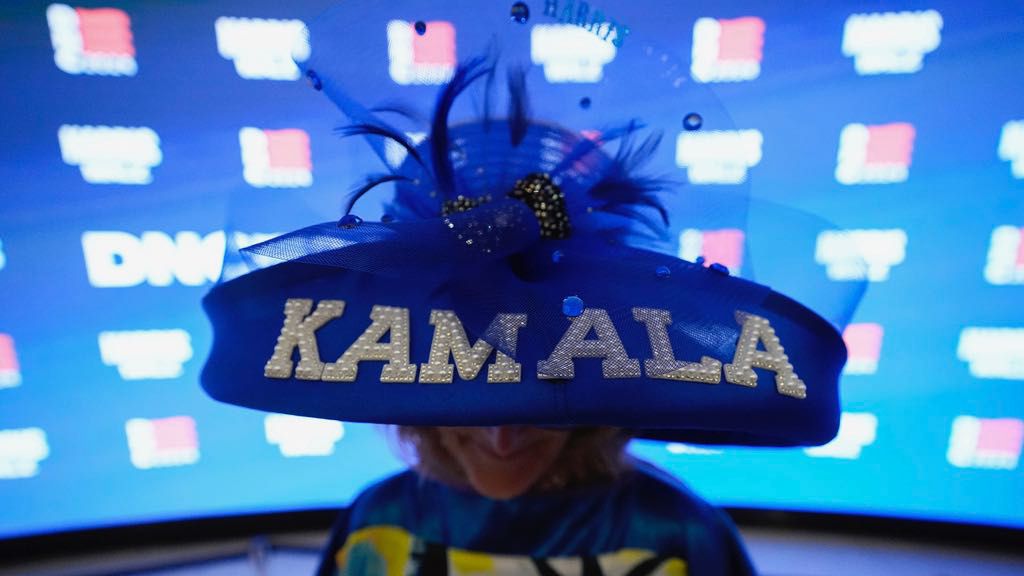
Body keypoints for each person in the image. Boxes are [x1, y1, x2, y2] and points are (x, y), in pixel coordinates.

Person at [200, 2, 860, 574]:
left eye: (547, 377)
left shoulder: (681, 536)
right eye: (464, 370)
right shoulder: (380, 522)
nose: (503, 435)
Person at [314, 425, 756, 574]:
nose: (503, 441)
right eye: (470, 397)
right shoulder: (381, 520)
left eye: (547, 390)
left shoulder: (674, 530)